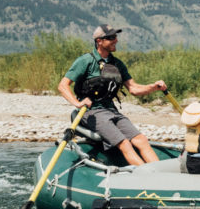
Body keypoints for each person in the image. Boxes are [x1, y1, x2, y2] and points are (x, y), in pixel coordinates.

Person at [58, 24, 167, 166]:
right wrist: (77, 103)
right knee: (125, 144)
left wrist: (153, 87)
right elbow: (62, 85)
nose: (116, 40)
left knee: (141, 140)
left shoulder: (117, 64)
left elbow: (133, 88)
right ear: (99, 41)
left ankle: (159, 174)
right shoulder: (86, 61)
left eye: (115, 36)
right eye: (111, 37)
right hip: (91, 112)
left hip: (112, 111)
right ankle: (147, 175)